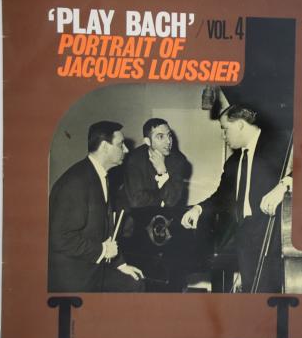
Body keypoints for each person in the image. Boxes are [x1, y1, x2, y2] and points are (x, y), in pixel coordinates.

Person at [181, 104, 292, 292]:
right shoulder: (232, 162)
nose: (223, 136)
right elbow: (221, 196)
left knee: (268, 292)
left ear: (240, 125)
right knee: (251, 291)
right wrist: (198, 209)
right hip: (244, 233)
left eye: (225, 129)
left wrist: (283, 186)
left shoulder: (279, 143)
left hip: (272, 233)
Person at [48, 121, 145, 292]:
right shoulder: (76, 182)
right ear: (105, 147)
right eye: (121, 144)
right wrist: (102, 250)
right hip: (73, 276)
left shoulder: (100, 175)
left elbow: (105, 230)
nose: (126, 150)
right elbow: (60, 238)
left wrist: (121, 264)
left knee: (135, 283)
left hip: (93, 266)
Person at [122, 118, 192, 291]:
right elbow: (136, 201)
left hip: (167, 231)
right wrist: (162, 197)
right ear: (147, 141)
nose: (168, 141)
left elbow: (172, 200)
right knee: (141, 284)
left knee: (171, 283)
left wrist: (163, 172)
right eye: (160, 136)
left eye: (169, 135)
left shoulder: (178, 161)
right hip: (136, 231)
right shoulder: (133, 160)